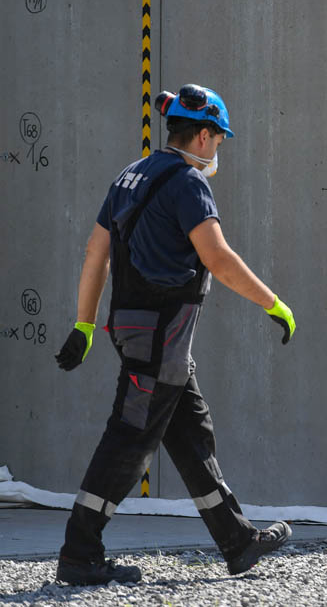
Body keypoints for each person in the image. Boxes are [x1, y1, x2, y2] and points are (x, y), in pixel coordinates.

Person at [53, 84, 297, 585]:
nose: (218, 150)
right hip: (160, 335)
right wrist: (273, 303)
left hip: (140, 331)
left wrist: (84, 323)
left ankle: (237, 541)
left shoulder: (130, 175)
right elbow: (218, 259)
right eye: (219, 140)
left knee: (190, 432)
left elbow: (95, 252)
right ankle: (79, 553)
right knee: (129, 440)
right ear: (204, 135)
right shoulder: (188, 183)